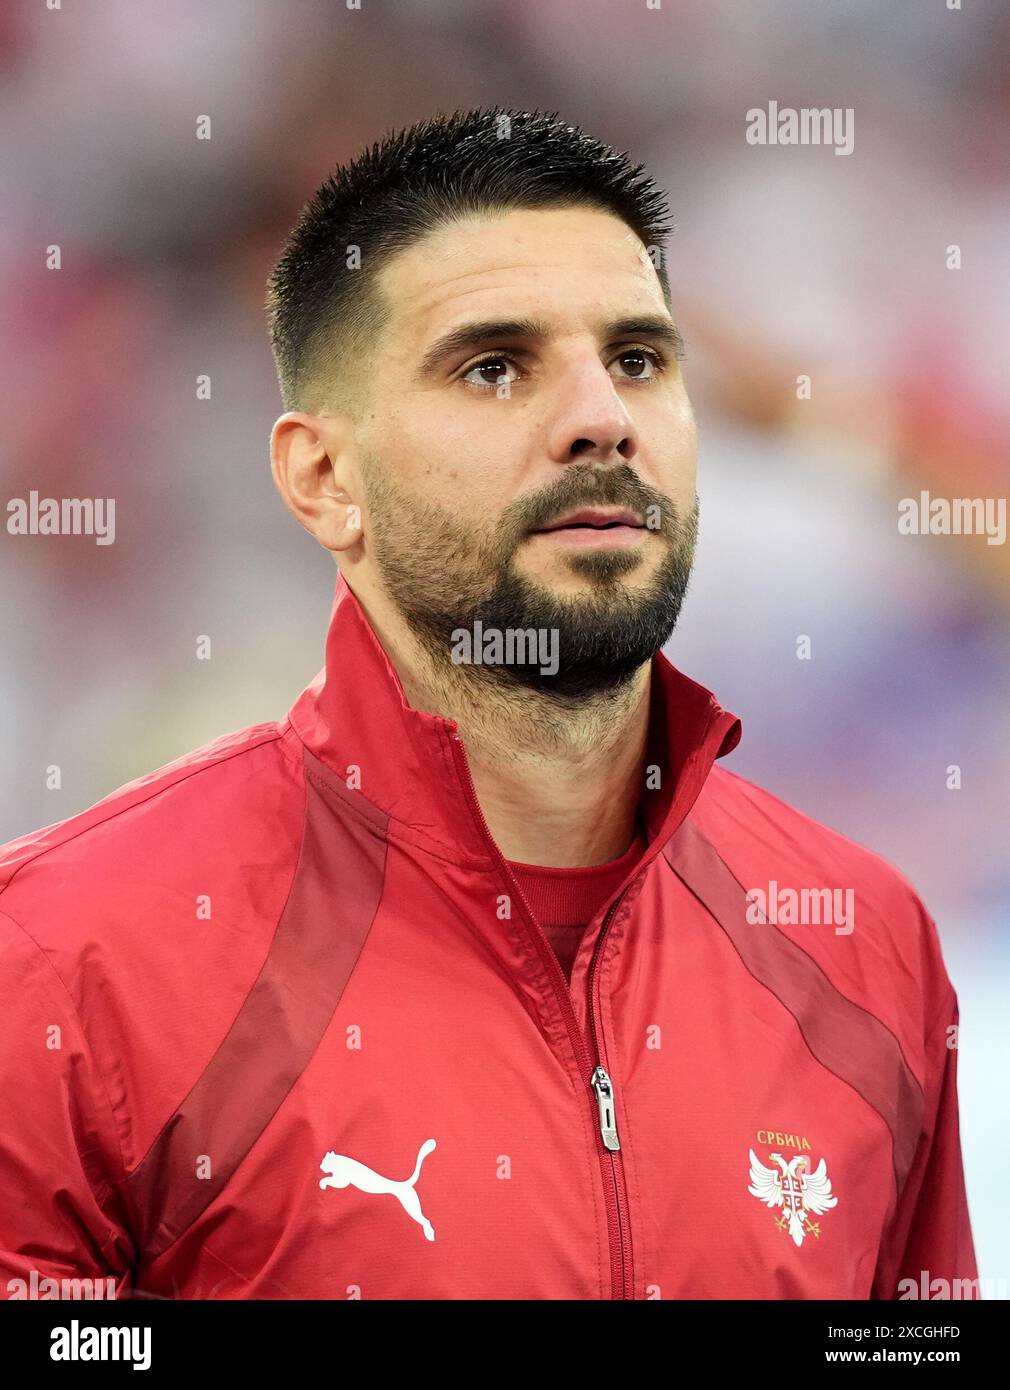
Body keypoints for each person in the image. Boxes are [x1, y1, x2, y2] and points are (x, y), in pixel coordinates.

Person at [0, 108, 977, 1301]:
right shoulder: (63, 960)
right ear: (324, 478)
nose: (601, 419)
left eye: (638, 360)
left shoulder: (865, 945)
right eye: (494, 368)